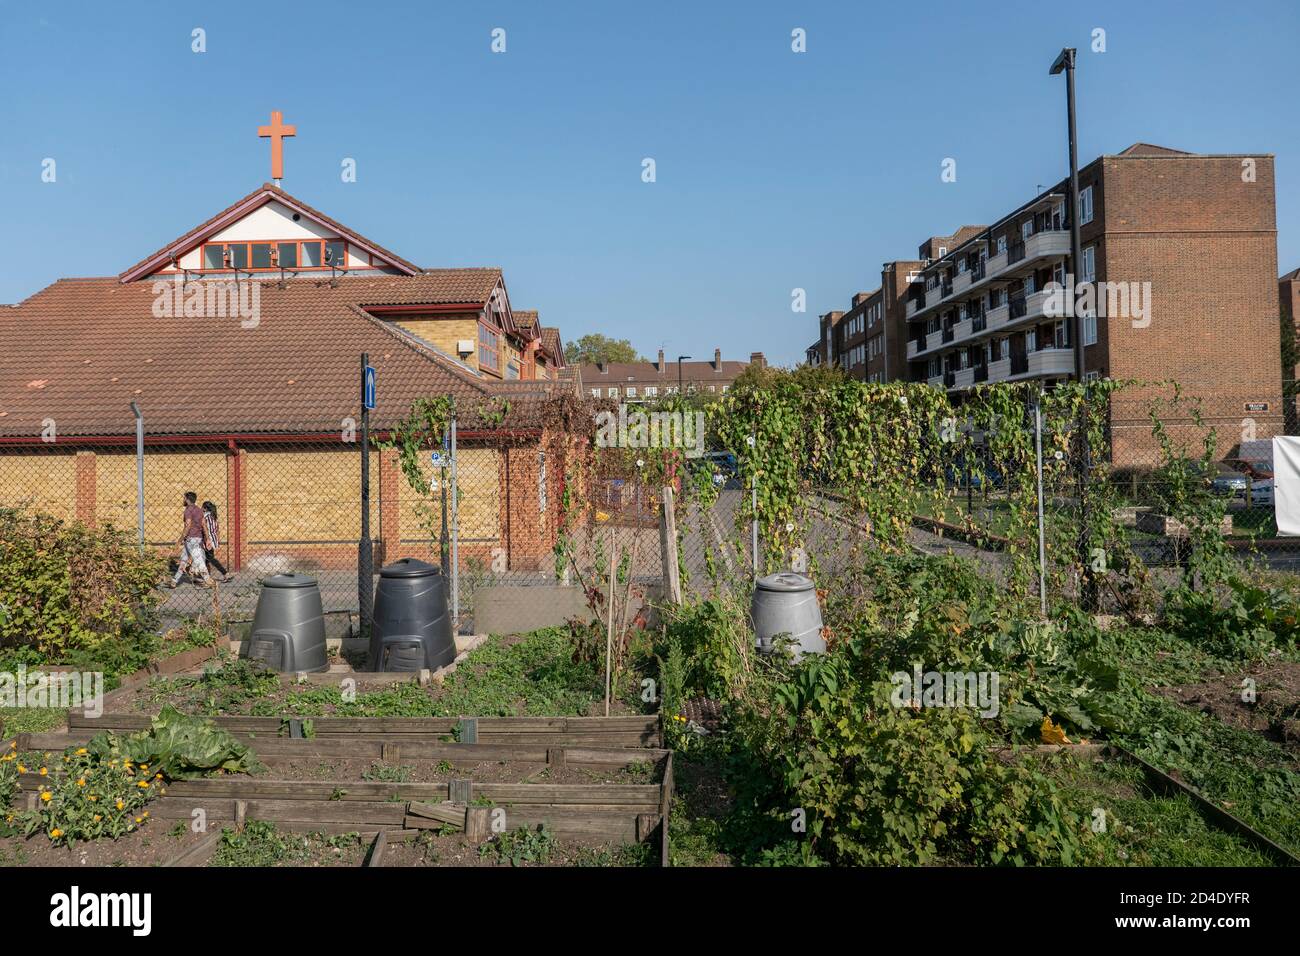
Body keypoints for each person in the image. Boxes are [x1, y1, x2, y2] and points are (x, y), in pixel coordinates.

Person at [167, 491, 211, 588]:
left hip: (191, 539)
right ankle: (174, 581)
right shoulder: (199, 510)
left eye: (184, 498)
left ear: (187, 499)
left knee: (199, 561)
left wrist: (179, 540)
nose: (183, 500)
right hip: (197, 539)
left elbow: (188, 525)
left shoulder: (188, 510)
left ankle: (208, 580)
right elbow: (204, 525)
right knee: (183, 561)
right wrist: (207, 538)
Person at [201, 501, 229, 582]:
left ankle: (225, 573)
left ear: (205, 508)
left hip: (208, 540)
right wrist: (218, 540)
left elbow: (205, 530)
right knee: (206, 559)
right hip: (213, 540)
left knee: (210, 558)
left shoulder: (205, 518)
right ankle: (207, 577)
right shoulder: (213, 517)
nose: (201, 508)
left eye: (202, 507)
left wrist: (206, 541)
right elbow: (217, 530)